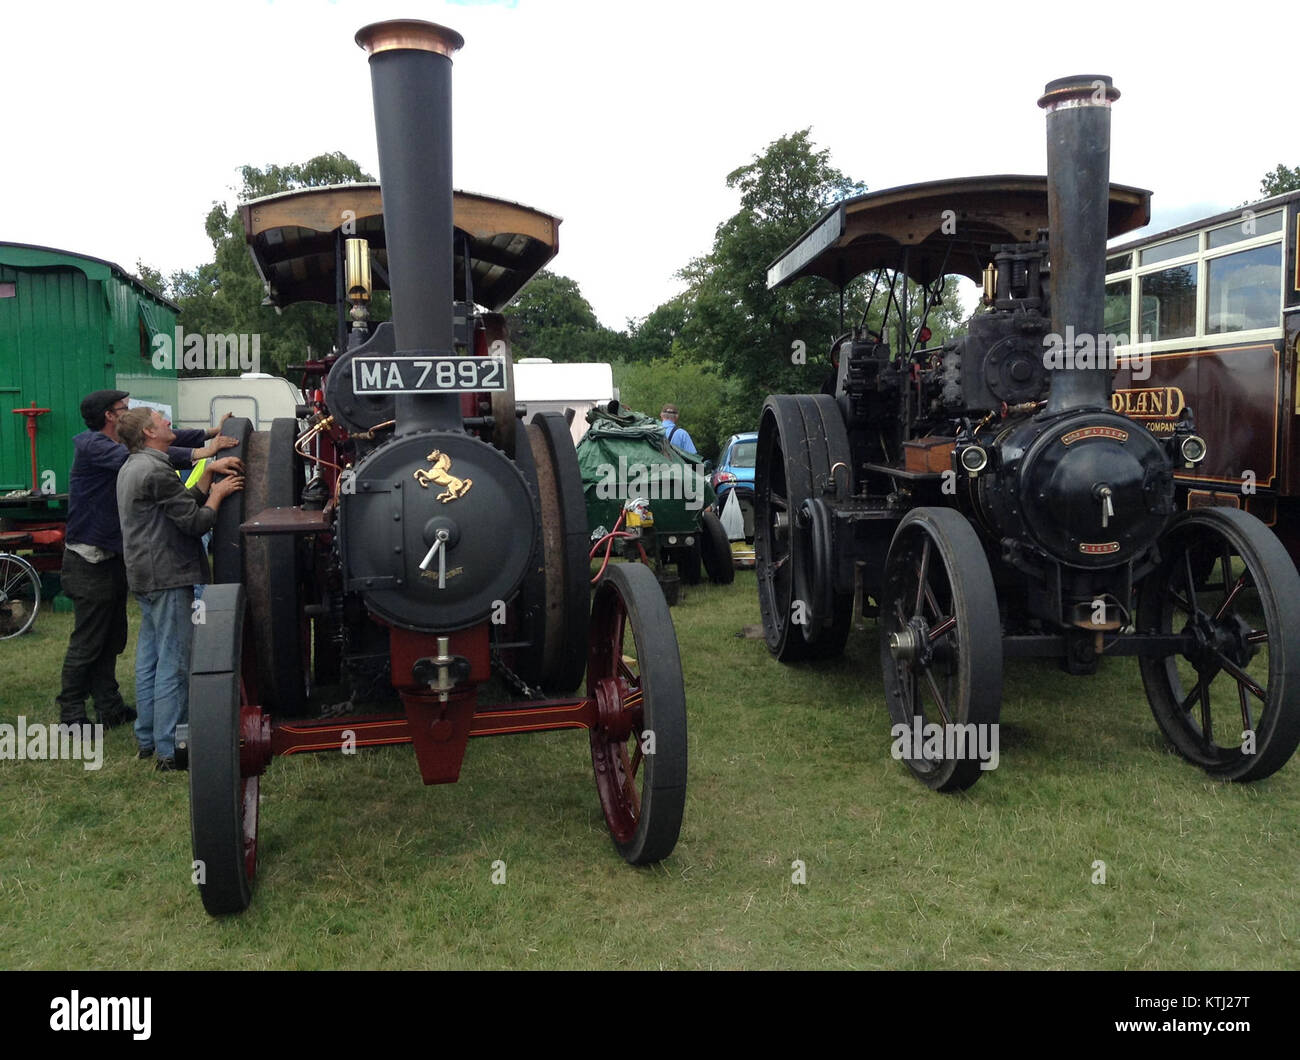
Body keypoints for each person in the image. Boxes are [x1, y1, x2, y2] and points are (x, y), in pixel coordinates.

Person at [56, 391, 237, 728]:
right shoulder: (95, 446)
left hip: (115, 556)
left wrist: (210, 435)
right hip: (89, 558)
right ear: (111, 416)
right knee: (88, 639)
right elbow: (156, 448)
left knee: (113, 637)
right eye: (125, 410)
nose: (130, 414)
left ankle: (109, 707)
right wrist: (202, 454)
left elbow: (160, 437)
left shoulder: (129, 449)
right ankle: (71, 711)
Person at [115, 408, 244, 770]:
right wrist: (217, 494)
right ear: (148, 432)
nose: (169, 424)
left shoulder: (133, 466)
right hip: (169, 574)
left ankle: (146, 738)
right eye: (162, 421)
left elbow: (176, 504)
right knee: (175, 662)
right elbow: (194, 522)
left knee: (151, 659)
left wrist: (205, 477)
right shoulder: (156, 469)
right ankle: (171, 750)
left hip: (144, 574)